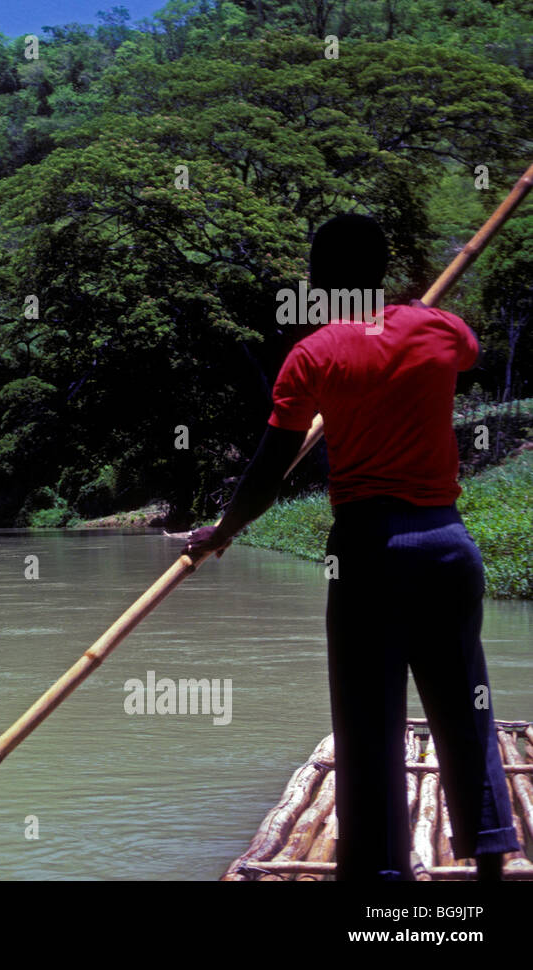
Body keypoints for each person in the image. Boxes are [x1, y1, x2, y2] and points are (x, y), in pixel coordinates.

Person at [184, 213, 518, 882]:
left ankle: (381, 880)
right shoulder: (441, 330)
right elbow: (468, 353)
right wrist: (404, 322)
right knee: (464, 707)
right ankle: (488, 856)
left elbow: (267, 472)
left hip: (367, 553)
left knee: (368, 726)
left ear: (321, 281)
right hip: (447, 546)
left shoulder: (312, 358)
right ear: (383, 268)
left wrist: (223, 533)